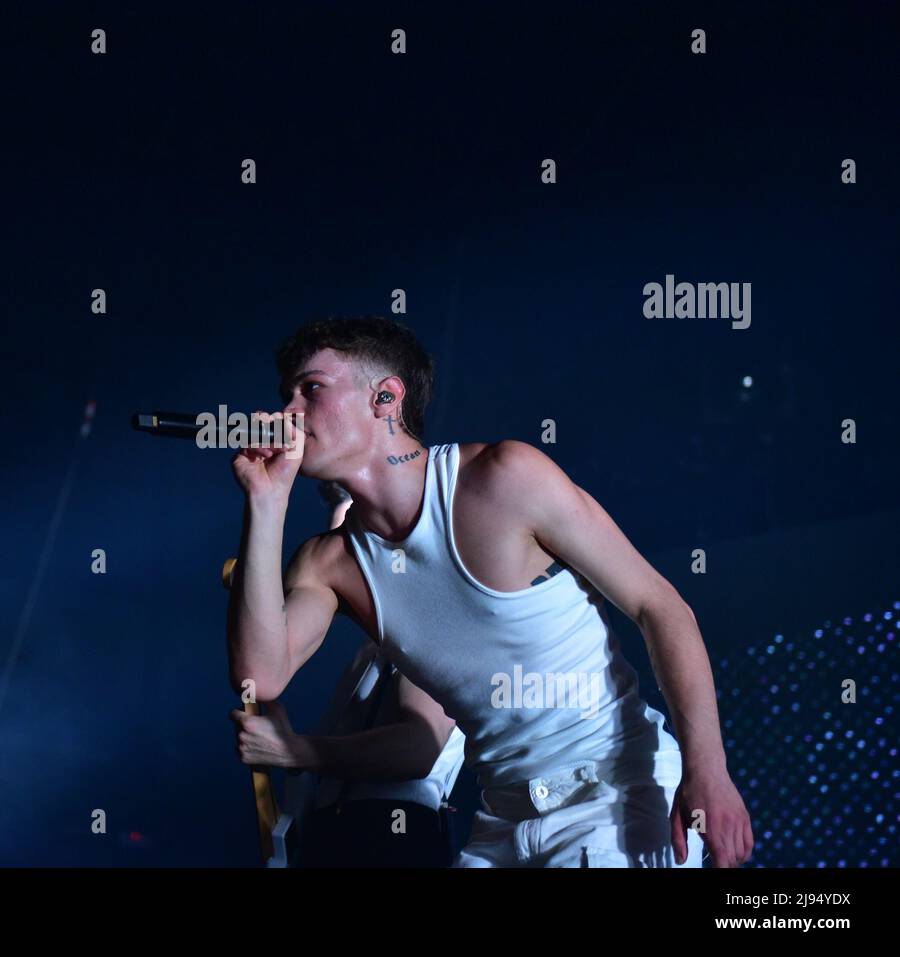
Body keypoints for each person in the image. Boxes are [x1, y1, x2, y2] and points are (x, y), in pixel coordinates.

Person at [226, 315, 753, 867]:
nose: (287, 413)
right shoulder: (329, 562)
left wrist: (710, 773)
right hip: (502, 823)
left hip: (619, 801)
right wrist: (265, 503)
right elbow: (259, 674)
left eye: (311, 389)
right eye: (285, 395)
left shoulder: (504, 477)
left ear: (385, 397)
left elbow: (660, 606)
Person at [231, 481, 467, 866]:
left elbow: (417, 749)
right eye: (336, 506)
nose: (337, 526)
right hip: (335, 831)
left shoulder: (438, 621)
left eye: (353, 507)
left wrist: (295, 751)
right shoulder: (374, 649)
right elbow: (258, 671)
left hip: (392, 838)